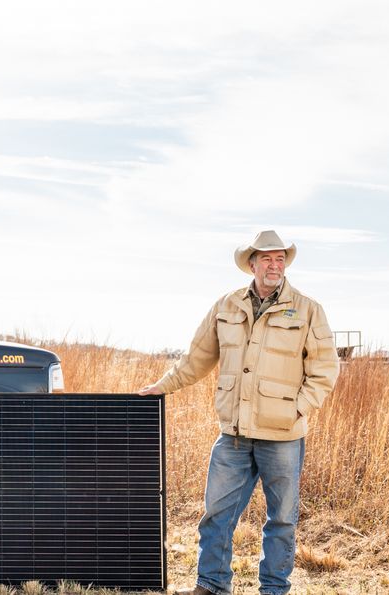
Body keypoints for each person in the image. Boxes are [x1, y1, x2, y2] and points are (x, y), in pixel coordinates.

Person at [138, 230, 339, 595]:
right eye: (267, 259)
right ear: (252, 264)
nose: (274, 266)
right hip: (233, 434)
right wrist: (162, 386)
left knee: (281, 520)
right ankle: (211, 586)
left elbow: (326, 369)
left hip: (283, 436)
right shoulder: (227, 306)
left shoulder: (309, 309)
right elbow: (197, 358)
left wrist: (299, 407)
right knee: (216, 514)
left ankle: (274, 589)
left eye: (280, 259)